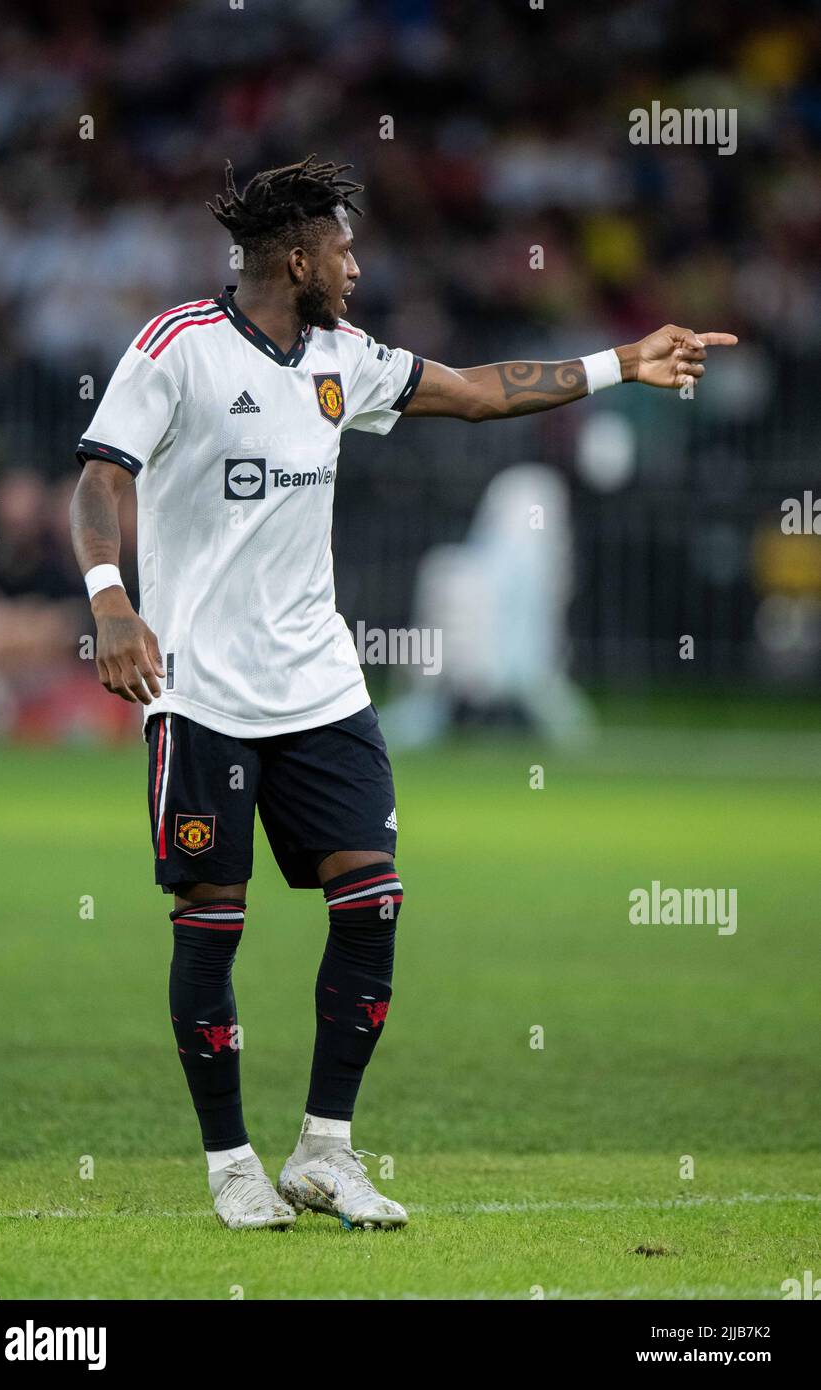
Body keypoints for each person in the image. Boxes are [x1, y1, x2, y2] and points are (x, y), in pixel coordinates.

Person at [69, 155, 737, 1231]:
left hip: (322, 687)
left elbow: (476, 392)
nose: (356, 262)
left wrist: (623, 361)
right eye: (341, 246)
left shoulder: (343, 358)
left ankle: (325, 1149)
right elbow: (101, 476)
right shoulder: (176, 349)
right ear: (296, 257)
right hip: (203, 694)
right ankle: (231, 1162)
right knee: (211, 921)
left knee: (371, 899)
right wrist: (109, 601)